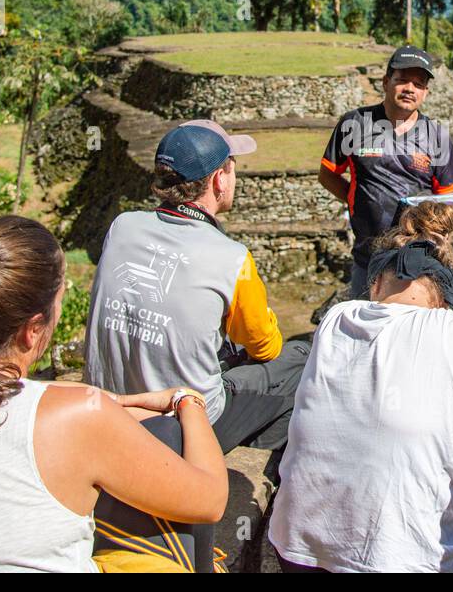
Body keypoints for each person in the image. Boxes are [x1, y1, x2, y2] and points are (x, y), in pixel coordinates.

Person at [0, 215, 228, 572]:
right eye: (60, 295)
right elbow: (211, 500)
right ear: (33, 330)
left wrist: (102, 402)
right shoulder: (81, 420)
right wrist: (187, 401)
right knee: (170, 435)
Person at [267, 203, 453, 573]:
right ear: (445, 298)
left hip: (296, 554)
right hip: (401, 563)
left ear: (375, 283)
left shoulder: (334, 322)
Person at [84, 120, 310, 456]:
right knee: (300, 363)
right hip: (181, 422)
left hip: (110, 405)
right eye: (232, 171)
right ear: (219, 179)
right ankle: (223, 469)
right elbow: (266, 348)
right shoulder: (231, 259)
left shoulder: (122, 227)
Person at [319, 45, 453, 300]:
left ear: (425, 93)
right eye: (402, 80)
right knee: (364, 334)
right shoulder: (354, 123)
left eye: (418, 84)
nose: (410, 88)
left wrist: (435, 224)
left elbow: (451, 201)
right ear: (386, 82)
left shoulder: (437, 135)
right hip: (368, 260)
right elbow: (327, 174)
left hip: (421, 262)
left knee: (413, 335)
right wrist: (356, 201)